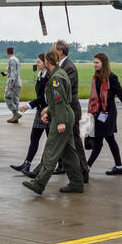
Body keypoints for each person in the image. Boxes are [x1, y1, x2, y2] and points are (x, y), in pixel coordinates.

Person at [22, 48, 85, 195]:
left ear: (47, 61)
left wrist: (60, 121)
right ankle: (77, 183)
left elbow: (60, 101)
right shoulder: (59, 73)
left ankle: (39, 184)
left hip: (62, 117)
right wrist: (49, 113)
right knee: (69, 153)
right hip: (64, 115)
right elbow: (58, 102)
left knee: (51, 150)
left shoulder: (55, 78)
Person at [86, 53, 122, 174]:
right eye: (94, 62)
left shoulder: (112, 78)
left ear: (103, 63)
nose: (94, 65)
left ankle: (86, 167)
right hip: (98, 113)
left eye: (97, 62)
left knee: (99, 141)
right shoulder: (96, 77)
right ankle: (119, 167)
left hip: (108, 113)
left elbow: (121, 95)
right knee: (110, 138)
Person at [55, 40, 88, 182]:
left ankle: (83, 173)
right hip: (66, 109)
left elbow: (64, 91)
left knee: (75, 141)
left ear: (60, 52)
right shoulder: (62, 66)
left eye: (53, 49)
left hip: (71, 109)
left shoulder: (69, 68)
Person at [10, 54, 49, 174]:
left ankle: (62, 165)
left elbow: (44, 97)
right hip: (40, 111)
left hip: (48, 112)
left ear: (45, 63)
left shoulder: (49, 77)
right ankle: (26, 164)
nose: (36, 64)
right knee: (34, 138)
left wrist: (29, 105)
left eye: (38, 62)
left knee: (51, 140)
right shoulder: (40, 75)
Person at [3, 47, 22, 122]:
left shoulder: (11, 60)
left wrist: (11, 83)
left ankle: (15, 113)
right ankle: (15, 117)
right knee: (15, 99)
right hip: (18, 82)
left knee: (7, 97)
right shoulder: (16, 59)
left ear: (7, 52)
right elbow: (14, 71)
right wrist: (6, 74)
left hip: (13, 83)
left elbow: (13, 73)